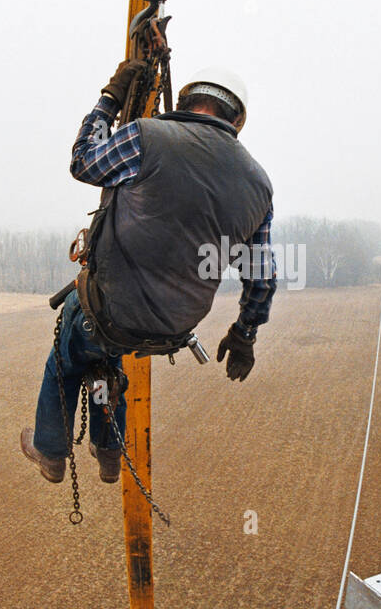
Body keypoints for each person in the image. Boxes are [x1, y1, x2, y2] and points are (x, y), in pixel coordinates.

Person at [21, 60, 276, 484]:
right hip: (174, 326)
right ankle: (107, 448)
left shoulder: (146, 136)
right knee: (107, 357)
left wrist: (109, 99)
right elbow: (262, 277)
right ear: (237, 120)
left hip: (110, 311)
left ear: (187, 101)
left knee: (69, 351)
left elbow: (84, 163)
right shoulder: (260, 186)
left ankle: (49, 451)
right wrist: (244, 334)